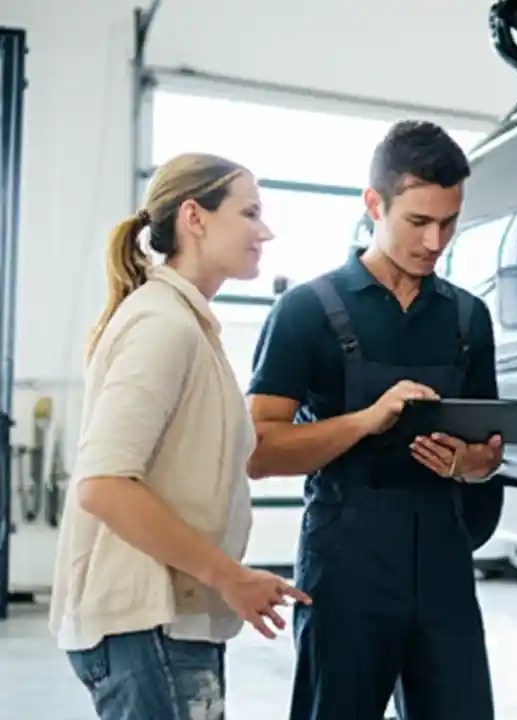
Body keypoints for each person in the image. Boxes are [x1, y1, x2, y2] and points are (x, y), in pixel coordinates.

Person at [246, 120, 505, 720]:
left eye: (448, 222)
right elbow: (260, 451)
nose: (435, 241)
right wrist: (366, 420)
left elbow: (491, 447)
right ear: (373, 205)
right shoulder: (306, 311)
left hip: (443, 559)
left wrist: (473, 465)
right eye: (418, 222)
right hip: (347, 566)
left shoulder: (470, 320)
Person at [48, 153, 312, 720]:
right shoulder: (163, 326)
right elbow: (104, 485)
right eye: (249, 212)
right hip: (149, 626)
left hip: (169, 626)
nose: (263, 230)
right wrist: (231, 577)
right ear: (195, 217)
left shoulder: (184, 323)